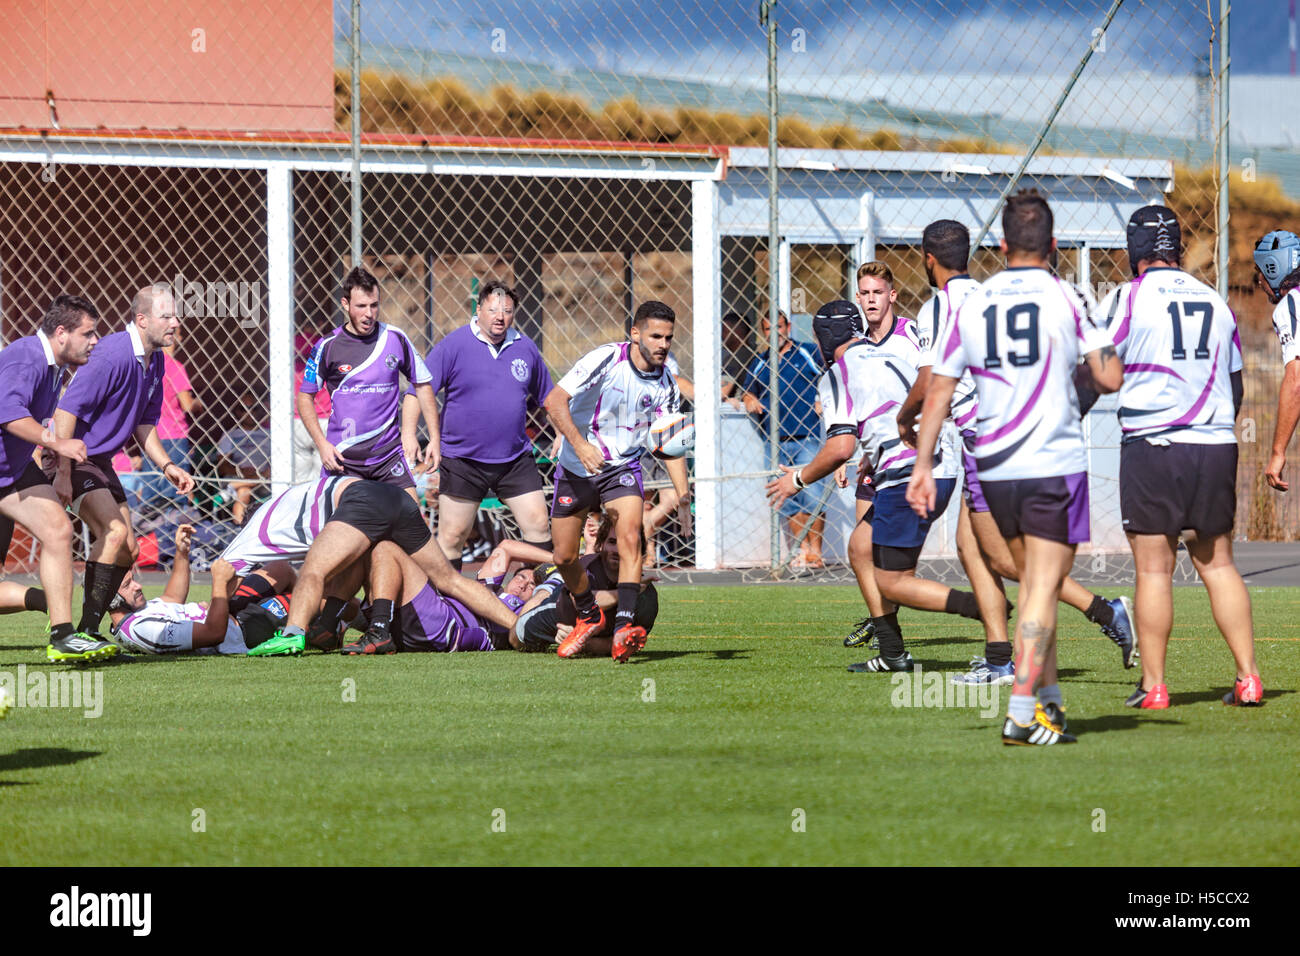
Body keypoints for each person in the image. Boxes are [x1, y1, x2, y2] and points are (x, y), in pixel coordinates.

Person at [907, 189, 1123, 746]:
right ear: (1052, 245)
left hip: (994, 466)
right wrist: (1069, 394)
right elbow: (1110, 375)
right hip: (1052, 462)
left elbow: (940, 390)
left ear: (1002, 245)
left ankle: (1049, 705)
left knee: (1036, 587)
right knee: (1041, 588)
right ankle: (1022, 710)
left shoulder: (974, 302)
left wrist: (923, 463)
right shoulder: (1068, 295)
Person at [1097, 206, 1261, 708]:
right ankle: (1249, 679)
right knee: (1218, 564)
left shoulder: (1128, 296)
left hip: (1153, 443)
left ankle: (1154, 686)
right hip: (1214, 444)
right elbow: (1236, 385)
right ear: (1177, 247)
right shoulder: (1215, 300)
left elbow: (1098, 365)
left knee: (1152, 570)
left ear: (1134, 252)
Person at [766, 300, 980, 673]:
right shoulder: (893, 355)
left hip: (909, 476)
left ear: (822, 341)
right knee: (861, 547)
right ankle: (893, 652)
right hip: (940, 466)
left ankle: (982, 609)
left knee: (894, 583)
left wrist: (796, 479)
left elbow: (839, 449)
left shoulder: (836, 374)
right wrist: (878, 448)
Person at [46, 283, 196, 642]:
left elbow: (145, 424)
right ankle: (82, 631)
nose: (175, 322)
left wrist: (166, 465)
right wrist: (63, 472)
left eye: (175, 314)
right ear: (142, 320)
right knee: (114, 534)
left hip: (100, 462)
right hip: (72, 455)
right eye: (167, 316)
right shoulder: (112, 354)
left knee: (128, 548)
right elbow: (66, 410)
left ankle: (108, 624)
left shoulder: (155, 360)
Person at [544, 300, 689, 662]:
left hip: (622, 467)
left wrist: (683, 497)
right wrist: (580, 445)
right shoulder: (606, 360)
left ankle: (624, 625)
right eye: (656, 336)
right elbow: (554, 400)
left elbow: (669, 444)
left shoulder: (667, 385)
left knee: (629, 536)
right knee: (564, 556)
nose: (663, 344)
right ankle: (589, 614)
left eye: (669, 338)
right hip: (578, 466)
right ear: (636, 334)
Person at [234, 476, 518, 656]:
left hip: (432, 622)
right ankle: (333, 627)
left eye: (529, 584)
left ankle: (307, 632)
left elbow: (510, 551)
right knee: (439, 575)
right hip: (416, 610)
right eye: (528, 580)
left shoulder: (514, 599)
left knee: (373, 552)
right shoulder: (504, 594)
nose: (524, 582)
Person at [0, 295, 116, 661]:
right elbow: (8, 414)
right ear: (62, 333)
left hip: (11, 473)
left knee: (58, 530)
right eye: (89, 333)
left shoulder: (54, 367)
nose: (95, 340)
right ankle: (52, 609)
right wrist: (58, 443)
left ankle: (63, 635)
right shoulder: (26, 356)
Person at [425, 281, 554, 570]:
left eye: (507, 311)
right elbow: (420, 391)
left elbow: (549, 397)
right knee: (452, 535)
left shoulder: (525, 347)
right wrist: (426, 438)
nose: (500, 316)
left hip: (514, 458)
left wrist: (561, 432)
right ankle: (449, 607)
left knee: (538, 524)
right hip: (463, 460)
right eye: (494, 310)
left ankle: (535, 600)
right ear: (479, 309)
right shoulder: (453, 345)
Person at [297, 267, 439, 500]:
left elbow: (423, 385)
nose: (369, 313)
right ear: (345, 304)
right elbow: (305, 397)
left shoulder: (395, 339)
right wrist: (322, 444)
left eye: (374, 305)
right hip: (343, 459)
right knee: (342, 531)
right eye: (361, 306)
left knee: (412, 522)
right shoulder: (328, 346)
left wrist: (433, 437)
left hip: (388, 457)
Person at [741, 310, 827, 569]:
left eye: (779, 327)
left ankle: (817, 551)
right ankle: (802, 549)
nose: (774, 333)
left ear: (788, 327)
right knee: (787, 498)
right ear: (764, 332)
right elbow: (747, 391)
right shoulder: (761, 361)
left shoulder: (808, 353)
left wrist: (823, 397)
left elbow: (833, 375)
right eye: (768, 329)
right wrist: (749, 399)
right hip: (775, 441)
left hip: (806, 436)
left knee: (812, 495)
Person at [341, 539, 531, 654]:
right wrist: (556, 561)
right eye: (521, 577)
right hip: (419, 625)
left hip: (442, 626)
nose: (523, 585)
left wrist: (554, 577)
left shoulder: (527, 611)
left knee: (385, 548)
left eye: (532, 585)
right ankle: (326, 627)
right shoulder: (487, 588)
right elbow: (507, 547)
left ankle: (378, 629)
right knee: (365, 551)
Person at [514, 511, 659, 654]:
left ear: (639, 550)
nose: (617, 549)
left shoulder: (647, 598)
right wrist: (629, 591)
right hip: (561, 610)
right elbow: (580, 601)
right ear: (601, 544)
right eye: (612, 542)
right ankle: (554, 580)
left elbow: (623, 644)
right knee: (515, 638)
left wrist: (580, 641)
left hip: (582, 625)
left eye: (624, 543)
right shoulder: (588, 568)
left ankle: (558, 577)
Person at [109, 525, 248, 655]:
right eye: (128, 585)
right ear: (110, 599)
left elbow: (173, 598)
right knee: (255, 553)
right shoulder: (142, 628)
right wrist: (219, 582)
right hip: (242, 630)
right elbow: (214, 633)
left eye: (133, 580)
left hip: (233, 617)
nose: (138, 586)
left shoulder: (136, 613)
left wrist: (181, 552)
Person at [1252, 230, 1300, 491]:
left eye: (1261, 272)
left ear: (1273, 268)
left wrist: (1277, 452)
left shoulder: (1292, 303)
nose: (1259, 281)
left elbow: (1296, 380)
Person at [216, 390, 271, 525]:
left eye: (254, 408)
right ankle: (240, 528)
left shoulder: (270, 434)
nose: (250, 412)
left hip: (267, 476)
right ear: (238, 412)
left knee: (244, 489)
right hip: (240, 476)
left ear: (260, 410)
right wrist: (241, 472)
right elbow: (222, 466)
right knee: (244, 491)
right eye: (244, 408)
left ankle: (232, 488)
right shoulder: (230, 435)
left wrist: (265, 472)